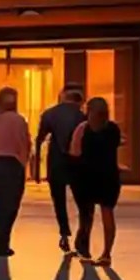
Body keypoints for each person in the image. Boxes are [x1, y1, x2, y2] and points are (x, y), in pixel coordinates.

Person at [69, 97, 124, 266]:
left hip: (87, 177)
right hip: (109, 176)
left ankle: (85, 250)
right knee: (108, 214)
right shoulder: (113, 129)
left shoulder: (83, 129)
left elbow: (75, 151)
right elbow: (119, 143)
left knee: (87, 214)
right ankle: (106, 253)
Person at [36, 87, 88, 256]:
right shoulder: (83, 116)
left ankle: (64, 233)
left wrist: (36, 170)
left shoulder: (50, 114)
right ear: (79, 100)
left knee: (59, 200)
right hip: (78, 164)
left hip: (56, 163)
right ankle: (82, 238)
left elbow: (40, 139)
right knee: (83, 203)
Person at [0, 87, 31, 257]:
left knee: (0, 203)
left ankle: (0, 242)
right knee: (10, 206)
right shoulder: (18, 119)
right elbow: (24, 143)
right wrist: (24, 164)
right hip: (11, 164)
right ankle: (2, 243)